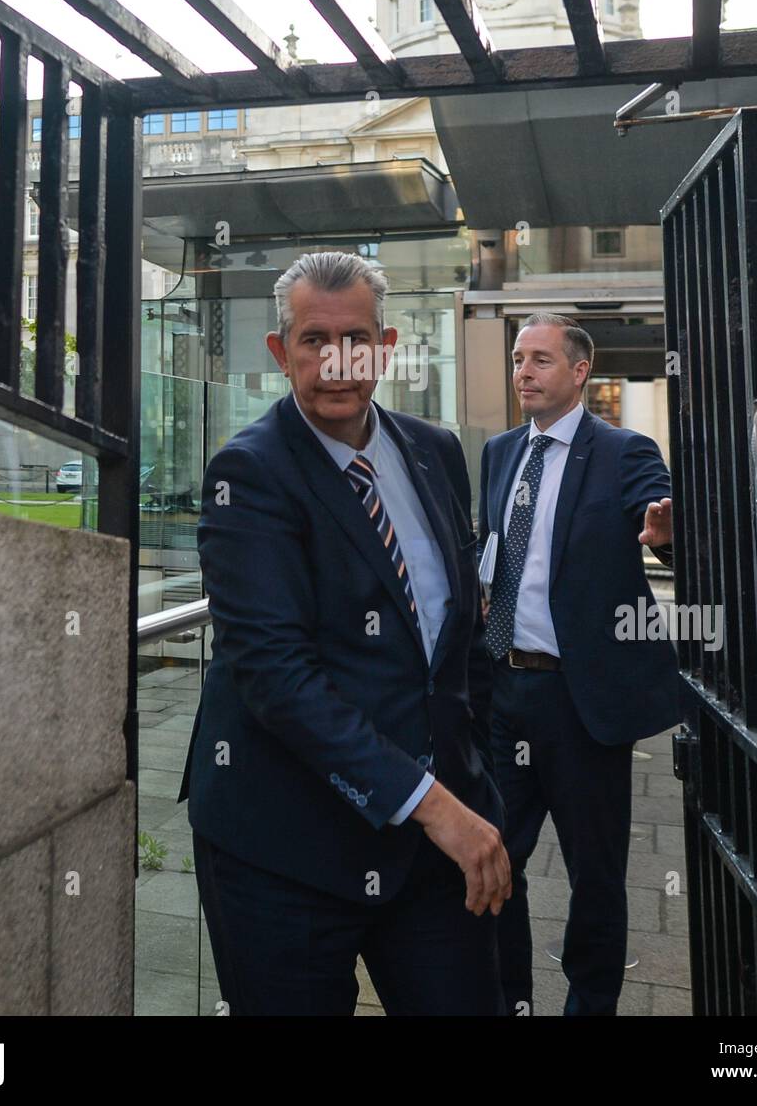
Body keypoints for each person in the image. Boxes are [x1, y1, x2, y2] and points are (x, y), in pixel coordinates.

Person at [177, 251, 510, 1016]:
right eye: (312, 341)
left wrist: (475, 779)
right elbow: (275, 676)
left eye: (354, 339)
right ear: (279, 351)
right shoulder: (249, 473)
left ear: (384, 345)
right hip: (283, 850)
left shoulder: (434, 452)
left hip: (432, 851)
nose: (335, 363)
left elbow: (455, 636)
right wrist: (434, 804)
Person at [478, 312, 678, 1016]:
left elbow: (663, 523)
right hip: (505, 691)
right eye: (516, 358)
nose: (523, 372)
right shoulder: (500, 453)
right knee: (493, 856)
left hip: (580, 702)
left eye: (538, 360)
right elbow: (498, 551)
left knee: (595, 875)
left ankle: (588, 1005)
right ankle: (507, 1000)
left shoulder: (623, 451)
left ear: (579, 372)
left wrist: (662, 533)